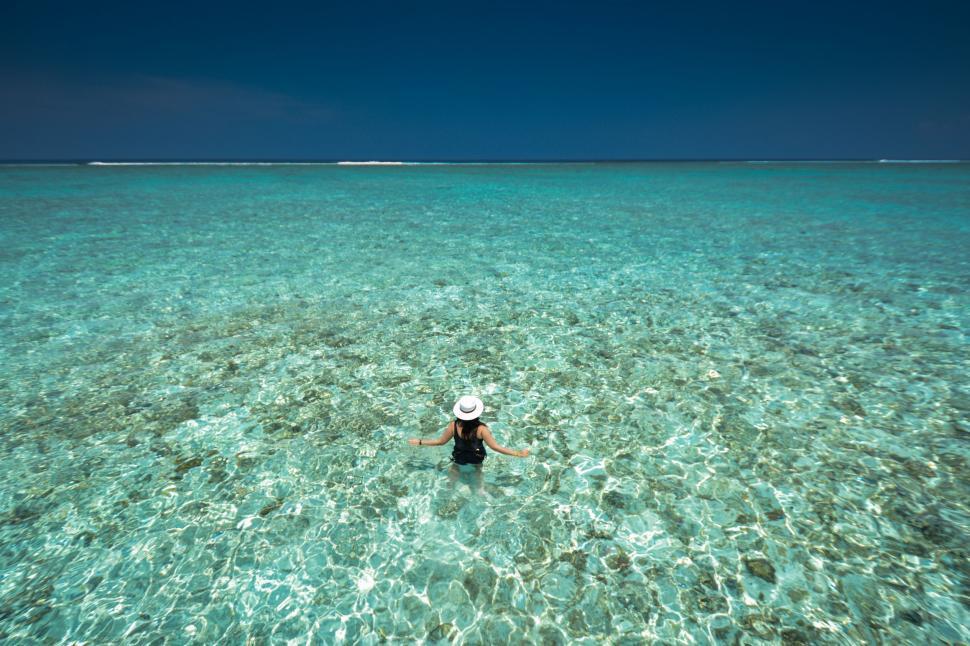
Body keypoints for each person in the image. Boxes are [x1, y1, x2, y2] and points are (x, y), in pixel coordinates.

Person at [408, 395, 530, 489]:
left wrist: (419, 441)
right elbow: (495, 447)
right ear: (476, 413)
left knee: (455, 469)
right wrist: (518, 453)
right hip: (476, 457)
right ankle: (480, 491)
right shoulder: (482, 429)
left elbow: (440, 442)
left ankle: (450, 488)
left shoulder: (453, 425)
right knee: (477, 471)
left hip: (459, 455)